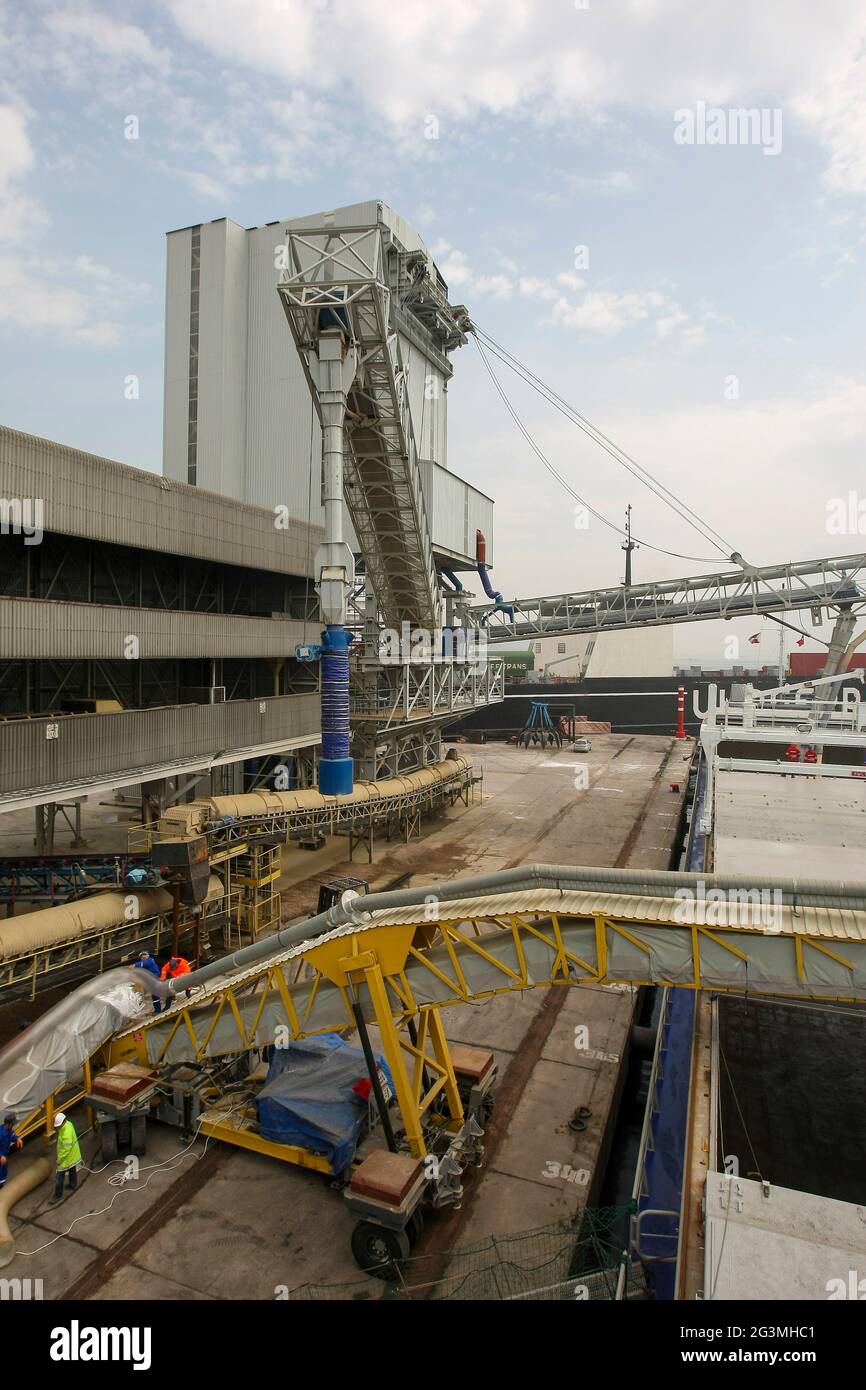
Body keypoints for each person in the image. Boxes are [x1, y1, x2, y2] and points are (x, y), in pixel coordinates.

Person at [52, 1112, 82, 1203]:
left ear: (62, 1122)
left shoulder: (66, 1133)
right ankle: (72, 1185)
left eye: (59, 1125)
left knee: (59, 1176)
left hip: (66, 1157)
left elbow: (66, 1149)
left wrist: (59, 1160)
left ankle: (57, 1196)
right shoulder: (69, 1124)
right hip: (73, 1155)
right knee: (72, 1170)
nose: (58, 1127)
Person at [0, 1113, 22, 1189]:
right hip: (1, 1156)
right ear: (8, 1124)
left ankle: (1, 1186)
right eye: (12, 1124)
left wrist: (17, 1139)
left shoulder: (9, 1130)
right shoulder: (0, 1134)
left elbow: (12, 1135)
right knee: (1, 1171)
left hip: (4, 1156)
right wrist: (1, 1156)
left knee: (3, 1171)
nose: (13, 1125)